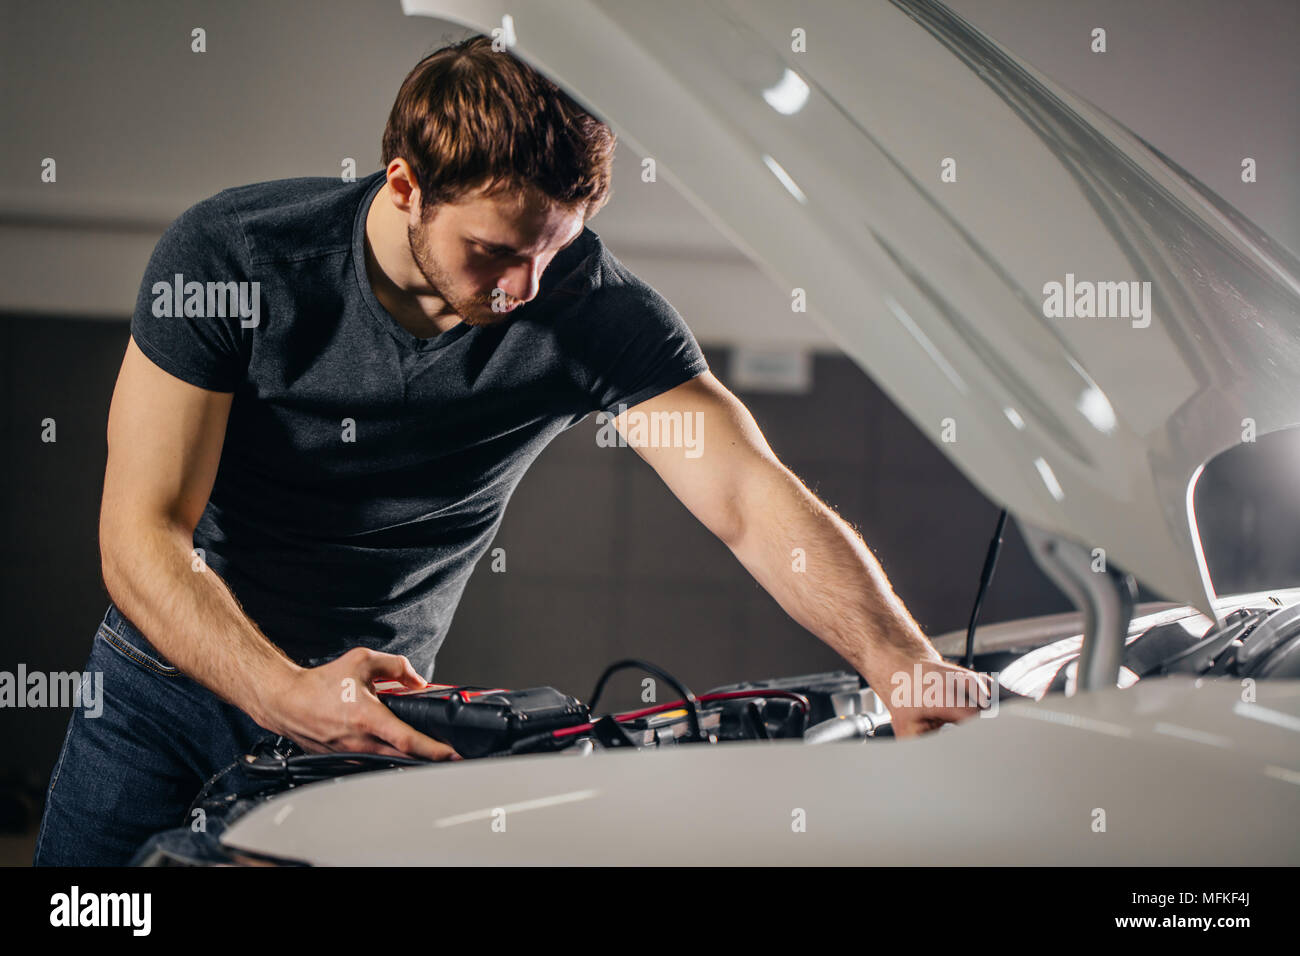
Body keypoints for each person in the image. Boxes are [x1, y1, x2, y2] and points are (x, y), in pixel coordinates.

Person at [34, 35, 988, 866]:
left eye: (554, 250)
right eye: (496, 252)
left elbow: (748, 494)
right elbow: (142, 535)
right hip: (164, 688)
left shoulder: (592, 309)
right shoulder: (233, 257)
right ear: (406, 184)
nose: (527, 287)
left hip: (378, 723)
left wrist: (901, 661)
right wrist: (283, 691)